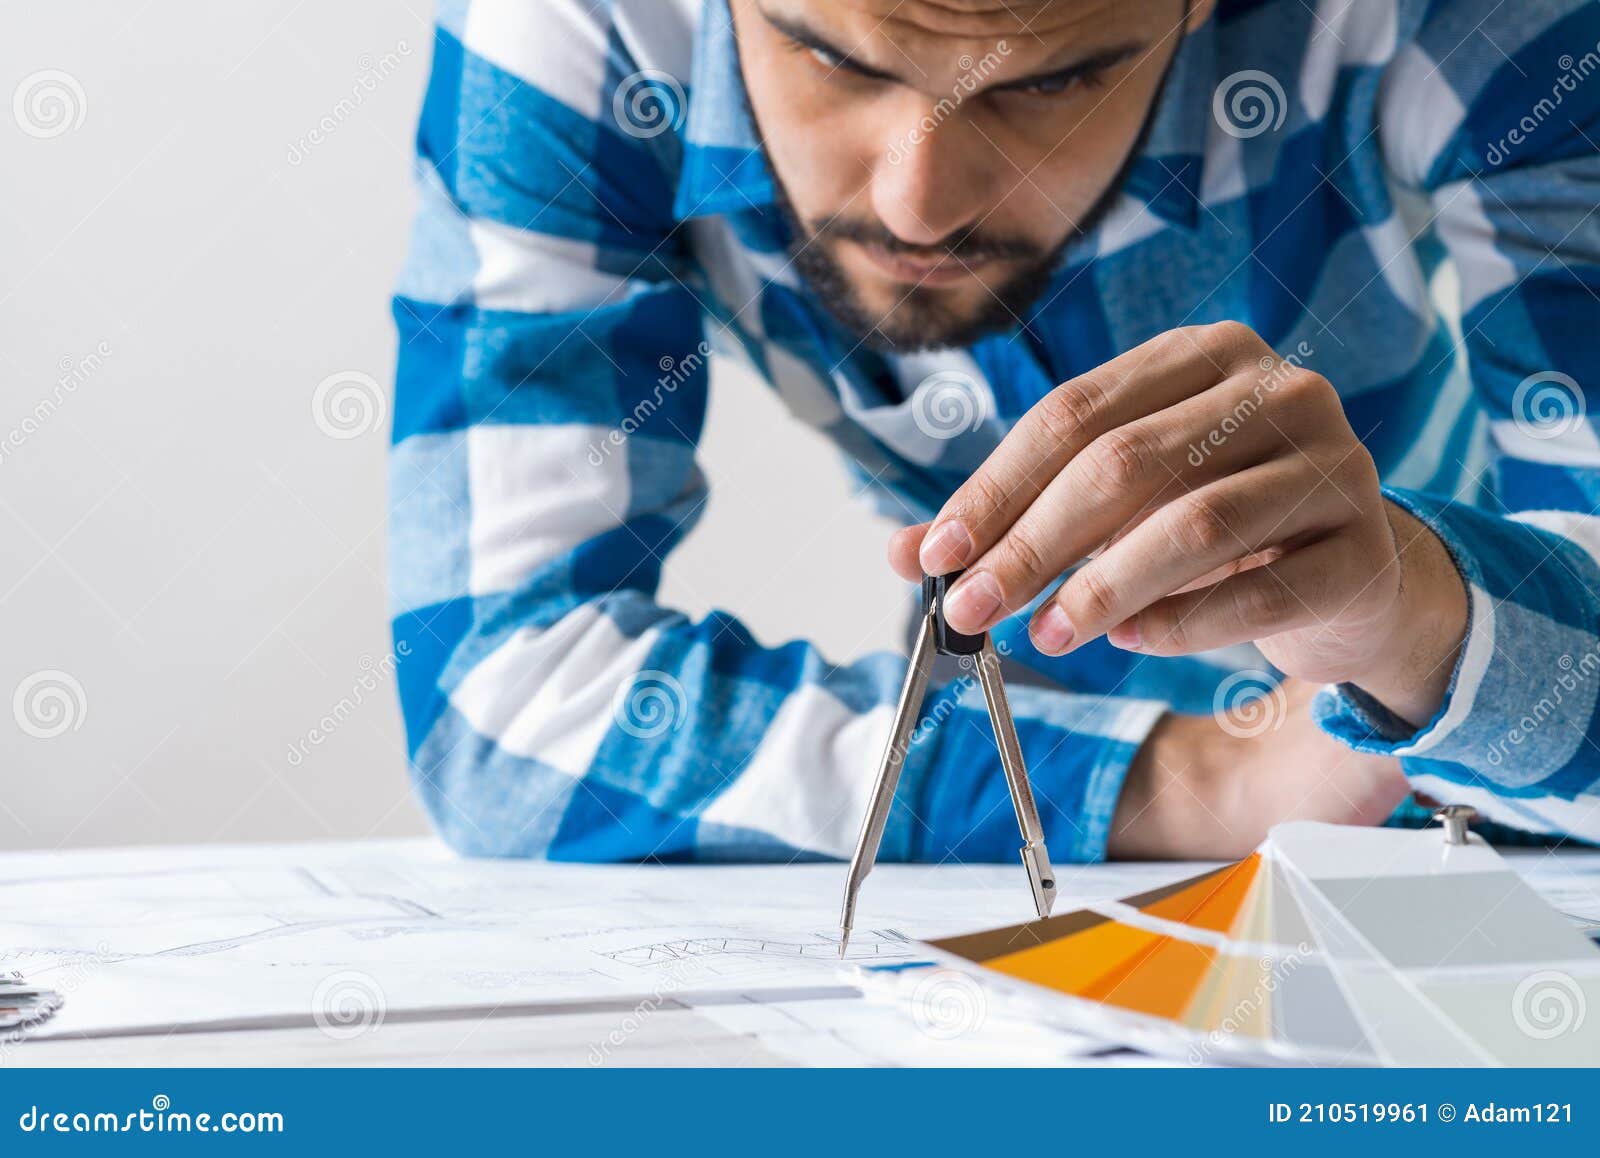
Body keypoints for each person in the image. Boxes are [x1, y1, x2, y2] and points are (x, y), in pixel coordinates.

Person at [389, 0, 1600, 863]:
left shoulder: (1499, 22)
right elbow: (499, 692)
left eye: (1047, 82)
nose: (919, 198)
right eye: (828, 54)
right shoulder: (573, 31)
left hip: (1472, 811)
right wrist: (1189, 782)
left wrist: (1425, 620)